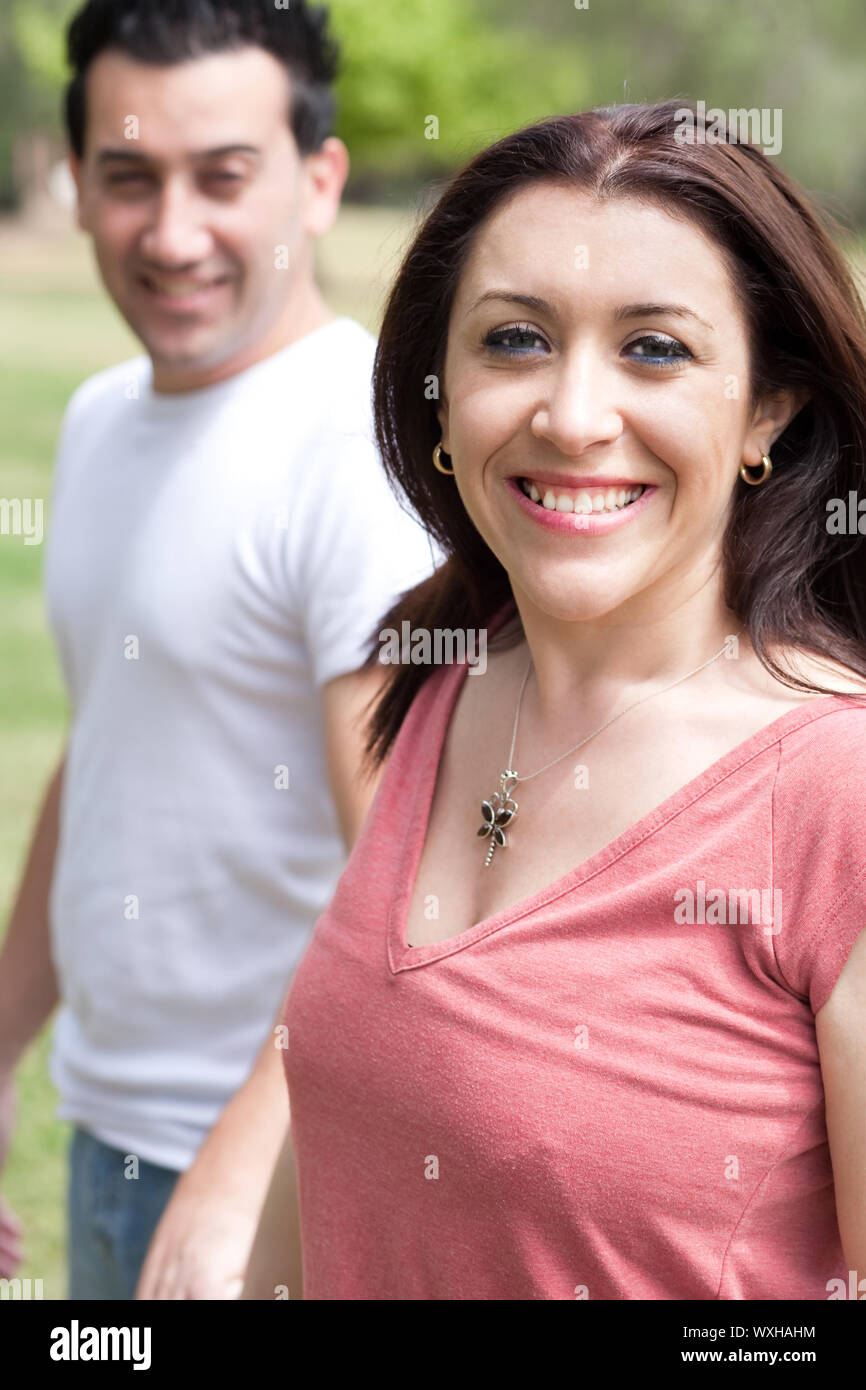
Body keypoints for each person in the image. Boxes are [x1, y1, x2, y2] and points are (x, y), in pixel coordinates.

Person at [242, 100, 866, 1300]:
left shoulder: (835, 788)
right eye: (515, 340)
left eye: (654, 349)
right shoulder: (443, 671)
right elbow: (339, 1153)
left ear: (768, 407)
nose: (572, 417)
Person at [0, 0, 437, 1301]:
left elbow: (402, 881)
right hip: (116, 1136)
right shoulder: (98, 420)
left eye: (223, 177)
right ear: (77, 185)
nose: (173, 232)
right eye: (130, 179)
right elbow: (112, 748)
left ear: (318, 178)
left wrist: (242, 1171)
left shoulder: (352, 453)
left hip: (287, 1173)